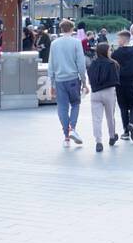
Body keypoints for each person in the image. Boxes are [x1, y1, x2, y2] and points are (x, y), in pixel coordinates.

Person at [49, 18, 87, 147]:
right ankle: (72, 129)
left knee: (62, 107)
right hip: (73, 79)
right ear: (72, 29)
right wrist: (84, 81)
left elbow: (51, 64)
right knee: (75, 103)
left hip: (59, 80)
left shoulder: (54, 43)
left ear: (61, 29)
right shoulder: (76, 43)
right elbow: (81, 64)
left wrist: (52, 82)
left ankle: (66, 137)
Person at [87, 42, 121, 152]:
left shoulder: (92, 64)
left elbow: (90, 79)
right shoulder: (112, 64)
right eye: (109, 50)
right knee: (110, 116)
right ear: (106, 51)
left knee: (97, 119)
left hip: (95, 93)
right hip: (109, 92)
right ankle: (112, 136)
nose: (110, 51)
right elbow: (116, 79)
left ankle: (98, 141)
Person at [112, 30, 133, 141]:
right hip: (132, 82)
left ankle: (126, 131)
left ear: (124, 39)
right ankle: (132, 123)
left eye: (118, 39)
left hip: (119, 83)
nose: (117, 41)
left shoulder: (115, 53)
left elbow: (113, 69)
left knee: (123, 107)